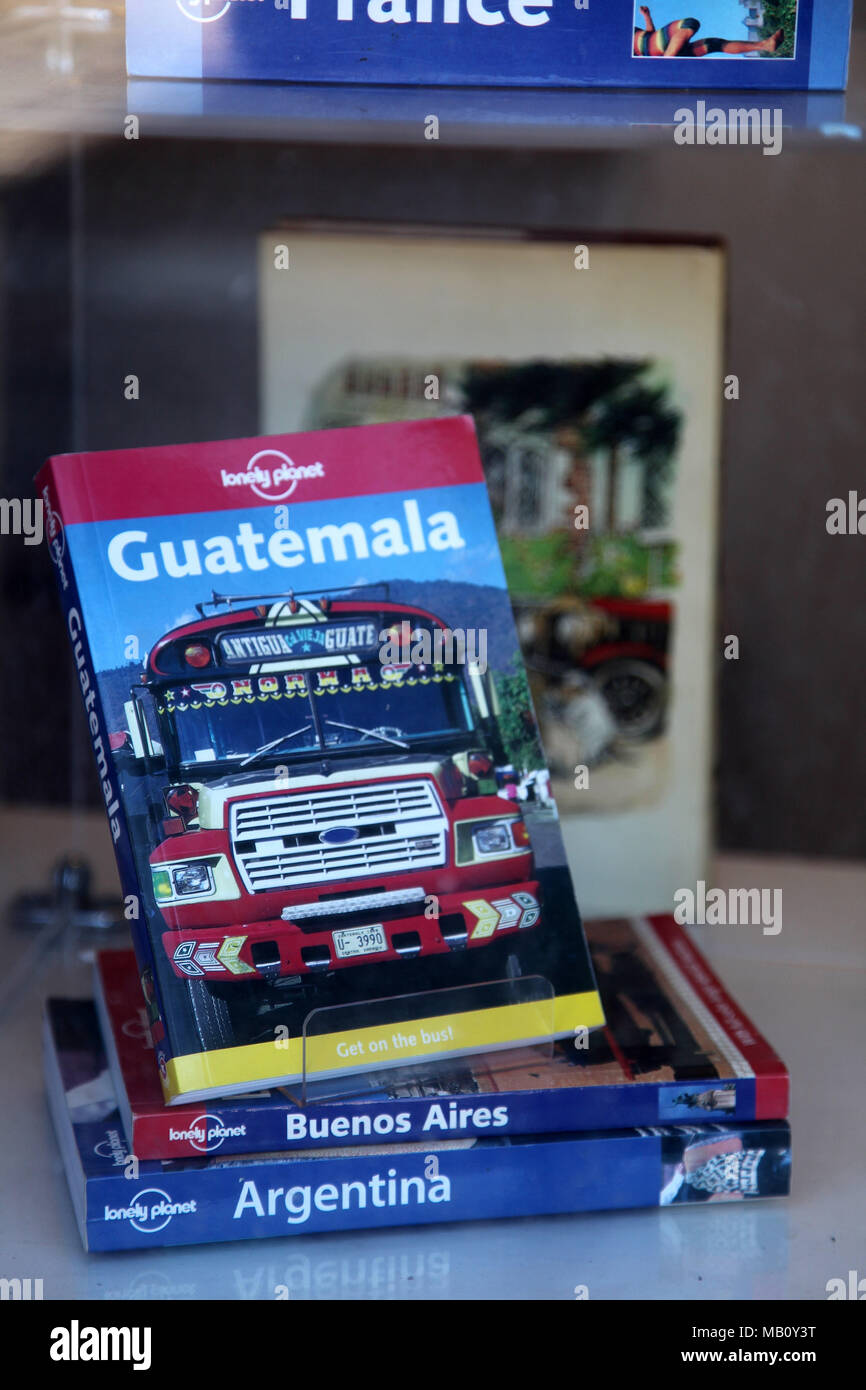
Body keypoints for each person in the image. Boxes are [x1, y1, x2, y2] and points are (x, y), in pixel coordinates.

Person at [633, 7, 784, 58]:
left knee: (713, 44)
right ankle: (666, 62)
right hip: (653, 50)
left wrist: (647, 16)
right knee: (689, 24)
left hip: (658, 45)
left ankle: (766, 45)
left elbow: (647, 33)